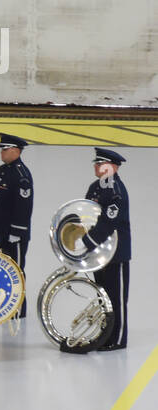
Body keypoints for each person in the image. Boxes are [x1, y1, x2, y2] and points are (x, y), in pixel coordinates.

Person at [81, 148, 130, 352]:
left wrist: (86, 241)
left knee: (115, 298)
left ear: (112, 167)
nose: (96, 166)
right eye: (96, 163)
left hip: (115, 253)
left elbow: (108, 222)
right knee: (103, 296)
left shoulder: (116, 190)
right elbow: (86, 213)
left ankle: (117, 339)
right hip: (99, 253)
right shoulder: (96, 187)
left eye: (100, 163)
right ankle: (105, 334)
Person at [0, 134, 33, 319]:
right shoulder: (1, 172)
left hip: (13, 234)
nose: (2, 153)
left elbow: (24, 207)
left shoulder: (22, 176)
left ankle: (18, 309)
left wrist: (16, 231)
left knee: (15, 270)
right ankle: (1, 304)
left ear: (16, 151)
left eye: (5, 150)